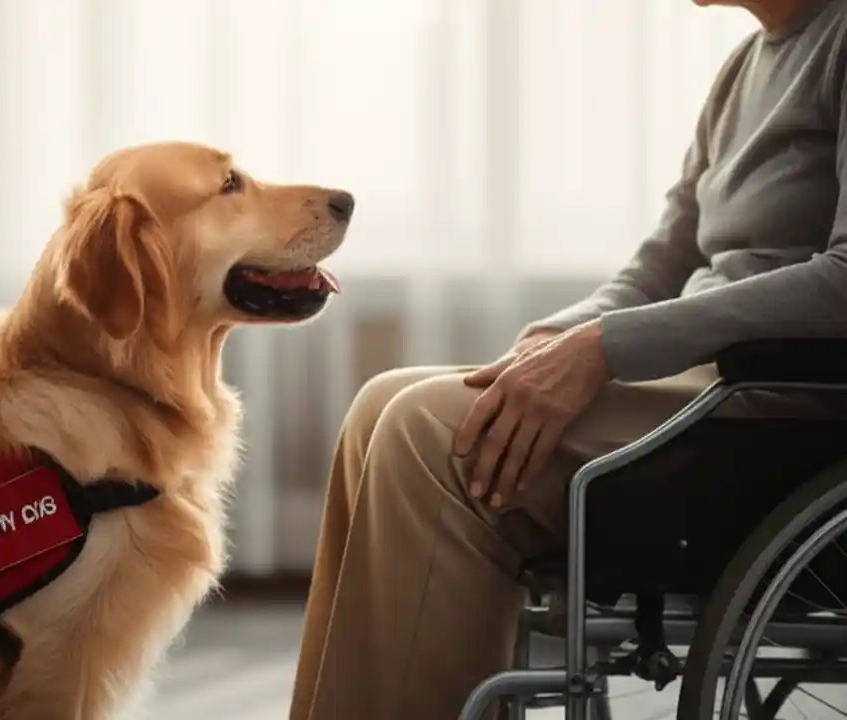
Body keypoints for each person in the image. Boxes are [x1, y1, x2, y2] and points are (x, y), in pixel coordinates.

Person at [289, 0, 847, 717]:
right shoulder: (747, 65)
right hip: (709, 391)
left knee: (427, 432)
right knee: (380, 405)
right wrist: (556, 338)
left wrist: (606, 347)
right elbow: (664, 260)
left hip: (774, 417)